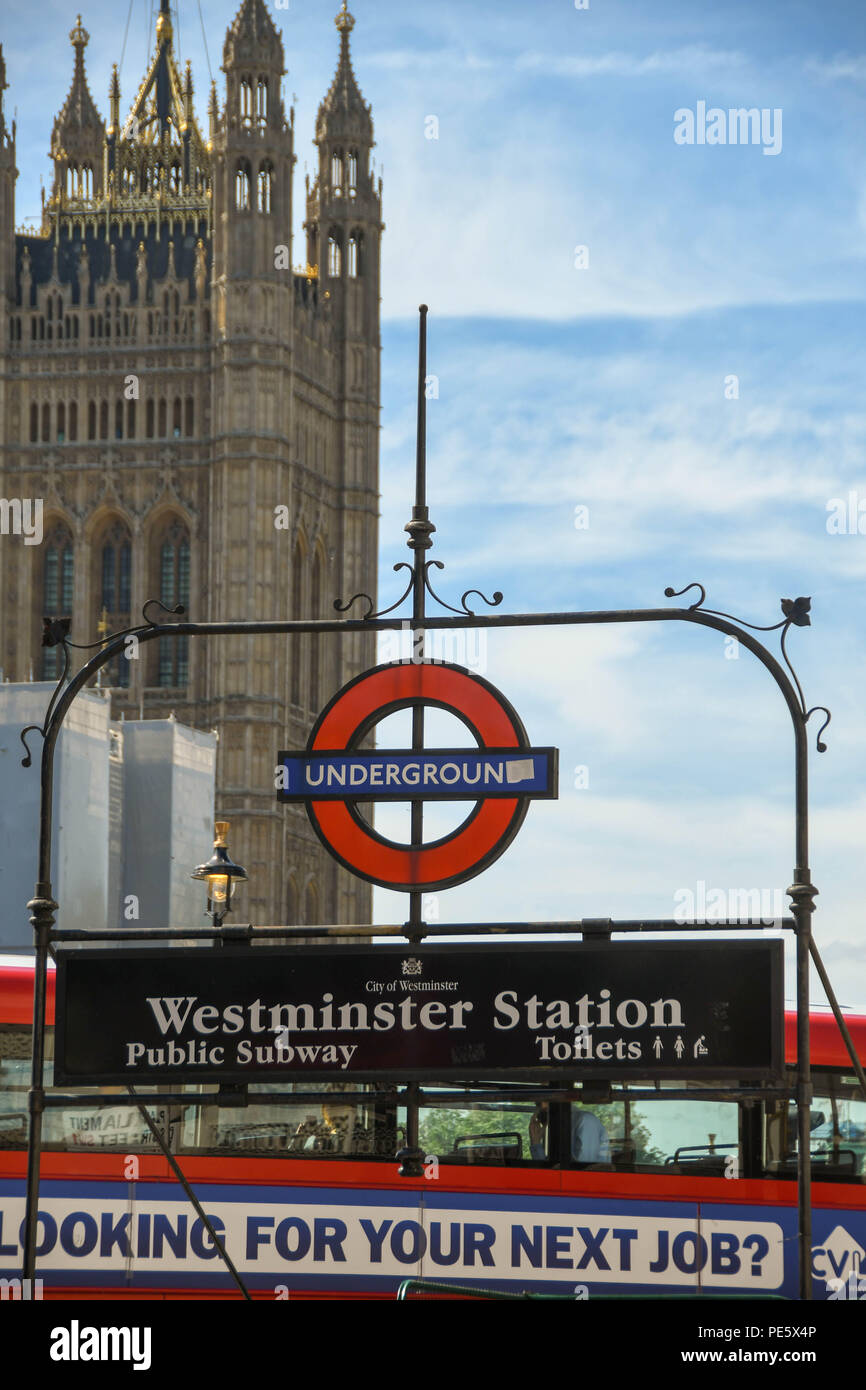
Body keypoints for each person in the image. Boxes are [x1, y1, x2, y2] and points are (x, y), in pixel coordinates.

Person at [529, 1102, 611, 1163]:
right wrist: (536, 1142)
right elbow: (548, 1172)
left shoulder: (585, 1121)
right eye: (538, 1103)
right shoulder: (559, 1127)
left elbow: (583, 1173)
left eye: (548, 1099)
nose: (543, 1106)